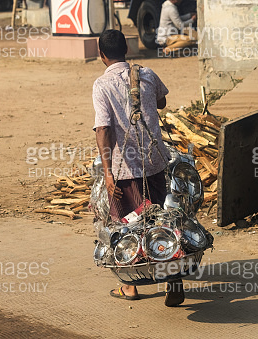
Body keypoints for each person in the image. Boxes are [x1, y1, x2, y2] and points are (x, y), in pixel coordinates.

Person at [92, 29, 186, 307]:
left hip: (124, 169)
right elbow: (162, 102)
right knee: (162, 221)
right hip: (154, 163)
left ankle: (131, 286)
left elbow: (103, 129)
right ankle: (173, 280)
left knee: (126, 225)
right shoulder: (146, 74)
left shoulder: (102, 85)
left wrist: (107, 172)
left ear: (102, 55)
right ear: (127, 50)